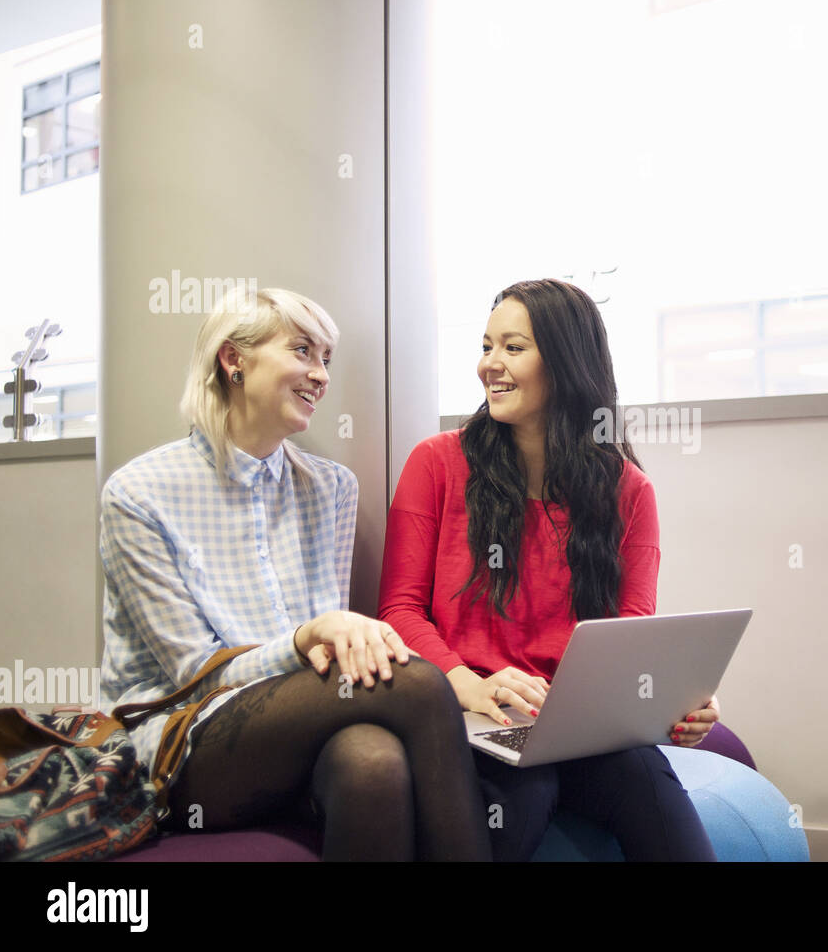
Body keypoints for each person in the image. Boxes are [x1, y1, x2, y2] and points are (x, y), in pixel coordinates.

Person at [98, 287, 490, 861]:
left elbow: (336, 660)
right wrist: (306, 638)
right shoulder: (138, 494)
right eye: (303, 351)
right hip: (183, 740)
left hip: (303, 725)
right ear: (234, 360)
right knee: (418, 681)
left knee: (371, 760)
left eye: (326, 358)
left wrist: (333, 643)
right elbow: (192, 676)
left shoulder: (330, 488)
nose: (321, 375)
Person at [379, 278, 718, 861]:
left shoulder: (629, 492)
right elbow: (399, 609)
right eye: (487, 346)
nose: (490, 365)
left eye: (513, 348)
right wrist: (468, 684)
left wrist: (672, 704)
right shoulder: (436, 462)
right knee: (523, 794)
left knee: (649, 788)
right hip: (476, 715)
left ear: (565, 362)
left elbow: (630, 636)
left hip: (579, 725)